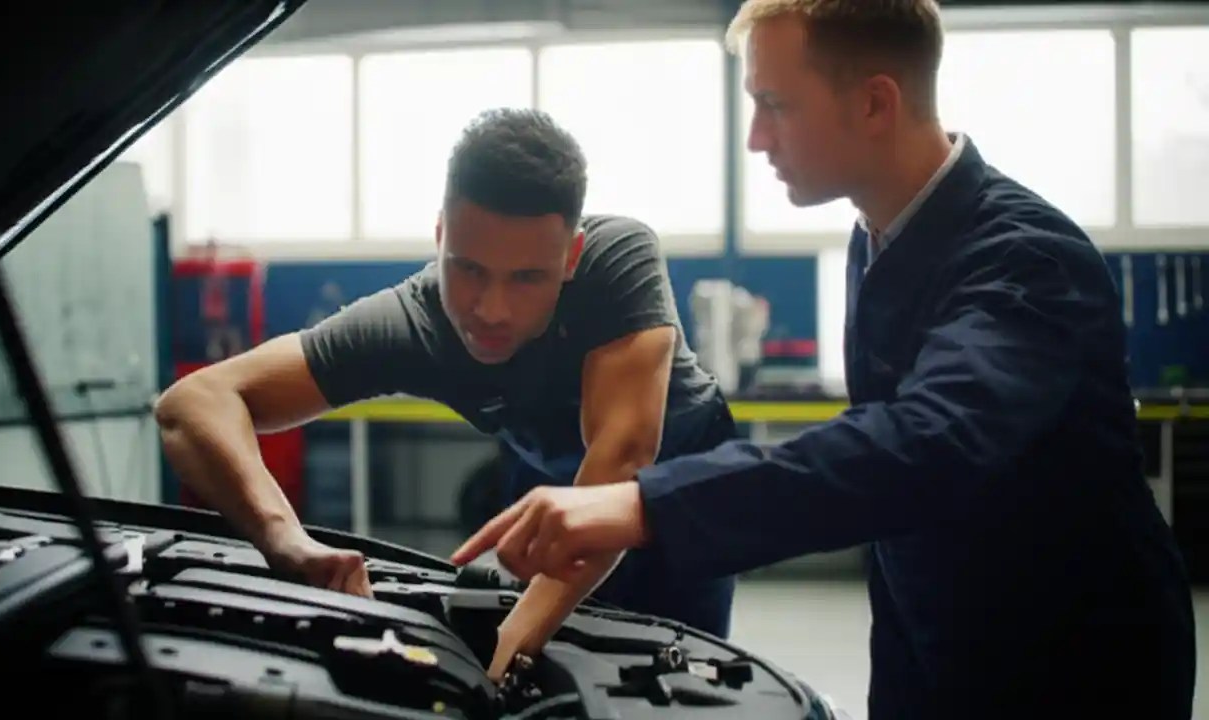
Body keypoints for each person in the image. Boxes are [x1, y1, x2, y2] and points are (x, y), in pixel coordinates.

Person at [450, 1, 1198, 718]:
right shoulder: (878, 235)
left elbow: (925, 443)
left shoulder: (1028, 261)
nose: (756, 139)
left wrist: (643, 502)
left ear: (875, 104)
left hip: (1071, 669)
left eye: (775, 105)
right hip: (929, 645)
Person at [154, 107, 740, 638]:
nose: (491, 309)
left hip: (680, 488)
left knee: (682, 672)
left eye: (527, 279)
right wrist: (285, 537)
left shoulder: (619, 260)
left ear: (571, 257)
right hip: (555, 484)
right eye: (467, 269)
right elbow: (193, 404)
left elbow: (624, 458)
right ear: (439, 238)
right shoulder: (412, 323)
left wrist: (515, 640)